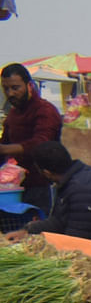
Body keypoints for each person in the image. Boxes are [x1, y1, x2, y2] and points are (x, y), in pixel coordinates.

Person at [6, 141, 91, 287]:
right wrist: (27, 232)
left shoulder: (83, 189)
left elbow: (77, 243)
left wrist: (36, 245)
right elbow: (60, 221)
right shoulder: (72, 178)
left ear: (46, 172)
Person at [0, 63, 62, 216]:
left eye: (15, 88)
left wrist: (4, 149)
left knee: (38, 231)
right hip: (15, 188)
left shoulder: (45, 110)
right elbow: (4, 145)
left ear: (29, 86)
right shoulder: (13, 115)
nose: (11, 93)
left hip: (41, 184)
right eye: (6, 89)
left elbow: (41, 143)